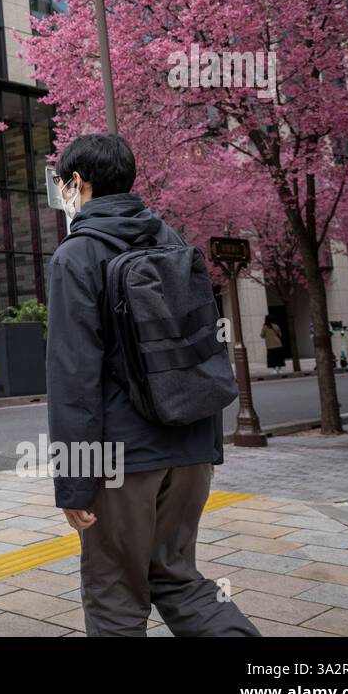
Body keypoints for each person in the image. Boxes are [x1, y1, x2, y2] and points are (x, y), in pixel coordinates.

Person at [45, 133, 258, 637]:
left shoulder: (76, 257)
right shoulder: (175, 242)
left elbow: (73, 378)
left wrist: (74, 483)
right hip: (190, 449)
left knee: (115, 595)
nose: (63, 196)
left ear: (79, 182)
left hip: (124, 461)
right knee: (180, 580)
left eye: (63, 185)